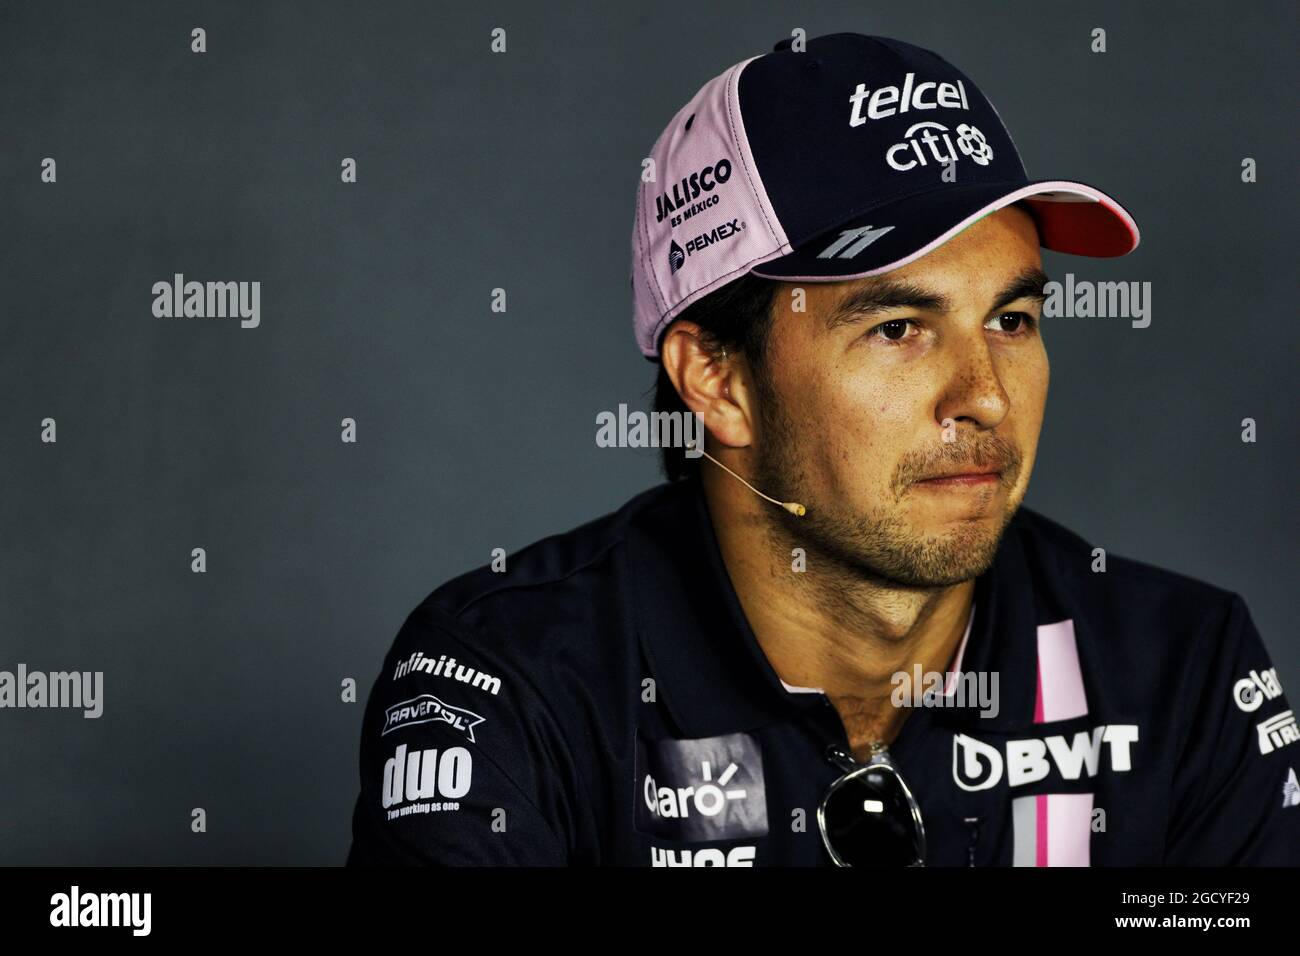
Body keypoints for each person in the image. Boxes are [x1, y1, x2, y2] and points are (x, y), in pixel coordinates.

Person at [347, 32, 1299, 866]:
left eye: (1010, 318)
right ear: (717, 379)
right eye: (897, 328)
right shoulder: (513, 680)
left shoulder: (1180, 670)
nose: (986, 398)